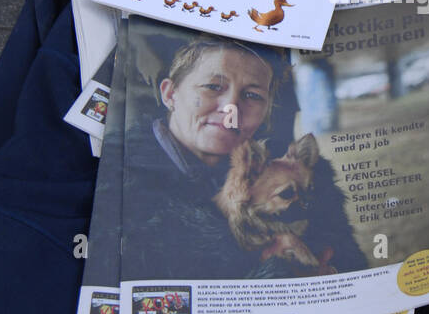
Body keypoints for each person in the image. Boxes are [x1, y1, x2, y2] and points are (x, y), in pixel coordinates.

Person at [124, 36, 366, 280]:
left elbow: (349, 265)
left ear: (267, 111)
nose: (231, 109)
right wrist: (276, 275)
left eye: (252, 95)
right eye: (213, 87)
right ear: (170, 94)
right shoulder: (122, 183)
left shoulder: (300, 178)